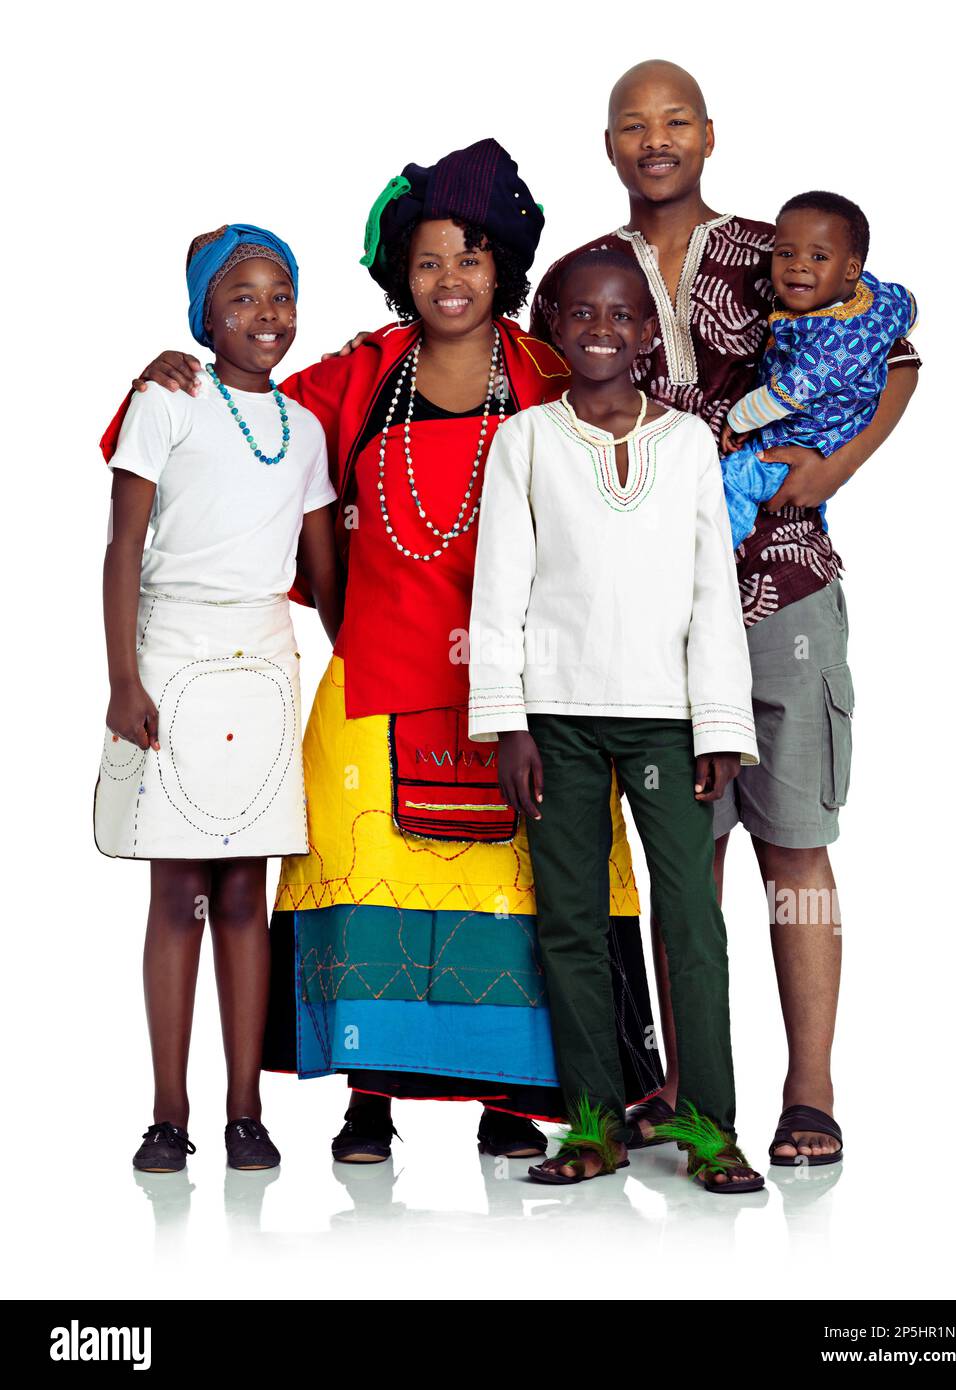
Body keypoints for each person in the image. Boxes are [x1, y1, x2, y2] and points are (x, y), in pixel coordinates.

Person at [100, 142, 664, 1167]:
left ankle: (516, 1094)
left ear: (504, 274)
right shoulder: (358, 374)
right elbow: (241, 410)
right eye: (430, 262)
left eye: (472, 261)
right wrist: (162, 369)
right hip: (375, 671)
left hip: (520, 682)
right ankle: (371, 1094)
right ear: (402, 272)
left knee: (522, 889)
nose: (451, 281)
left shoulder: (547, 371)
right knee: (368, 883)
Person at [530, 60, 921, 1166]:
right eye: (632, 125)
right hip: (649, 612)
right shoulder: (586, 275)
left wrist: (828, 467)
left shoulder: (778, 248)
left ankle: (810, 1090)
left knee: (792, 846)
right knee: (681, 863)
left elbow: (893, 359)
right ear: (609, 144)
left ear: (707, 135)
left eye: (675, 122)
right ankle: (690, 1089)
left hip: (781, 583)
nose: (654, 141)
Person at [468, 248, 763, 1191]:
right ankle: (592, 1125)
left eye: (622, 316)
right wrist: (509, 722)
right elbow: (499, 590)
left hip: (666, 722)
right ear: (555, 327)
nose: (602, 330)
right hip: (556, 720)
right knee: (572, 922)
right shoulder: (527, 440)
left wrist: (719, 723)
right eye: (582, 315)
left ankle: (711, 1127)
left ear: (649, 333)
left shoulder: (687, 445)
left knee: (692, 922)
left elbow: (715, 590)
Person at [95, 224, 340, 1173]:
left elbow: (323, 578)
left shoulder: (307, 429)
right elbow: (124, 548)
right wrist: (124, 679)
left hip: (265, 659)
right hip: (175, 647)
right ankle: (168, 1113)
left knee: (246, 893)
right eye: (240, 296)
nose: (265, 314)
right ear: (203, 313)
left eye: (280, 294)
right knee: (178, 891)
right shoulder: (168, 402)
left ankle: (247, 1111)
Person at [719, 191, 917, 547]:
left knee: (731, 482)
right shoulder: (871, 296)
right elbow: (906, 302)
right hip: (823, 435)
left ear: (850, 269)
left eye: (819, 256)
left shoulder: (829, 345)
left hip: (796, 441)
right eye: (785, 254)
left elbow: (785, 394)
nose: (798, 265)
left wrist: (738, 420)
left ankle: (711, 559)